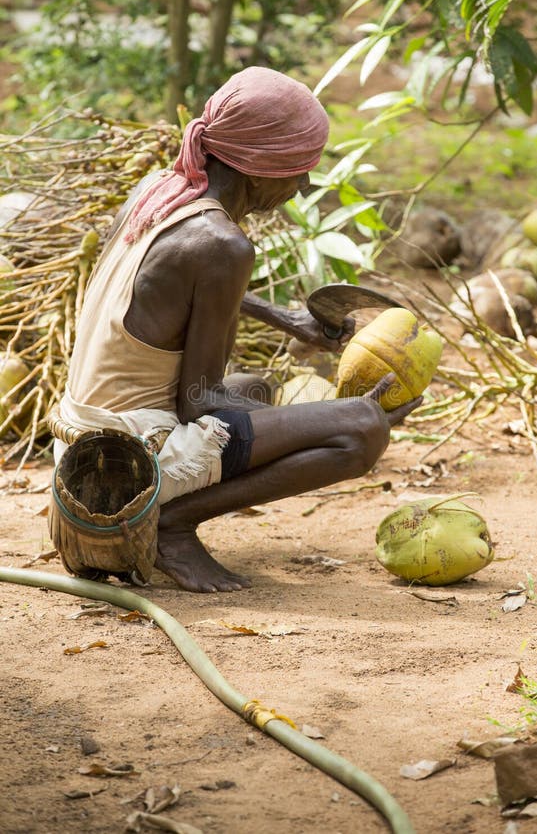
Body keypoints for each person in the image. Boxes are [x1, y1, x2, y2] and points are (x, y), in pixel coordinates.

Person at [53, 67, 421, 593]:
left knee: (253, 388)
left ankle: (174, 512)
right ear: (259, 169)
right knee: (360, 431)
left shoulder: (161, 190)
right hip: (127, 467)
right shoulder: (225, 246)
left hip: (76, 445)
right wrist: (337, 415)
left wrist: (284, 317)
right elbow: (198, 404)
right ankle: (174, 525)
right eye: (298, 170)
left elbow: (166, 281)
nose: (303, 186)